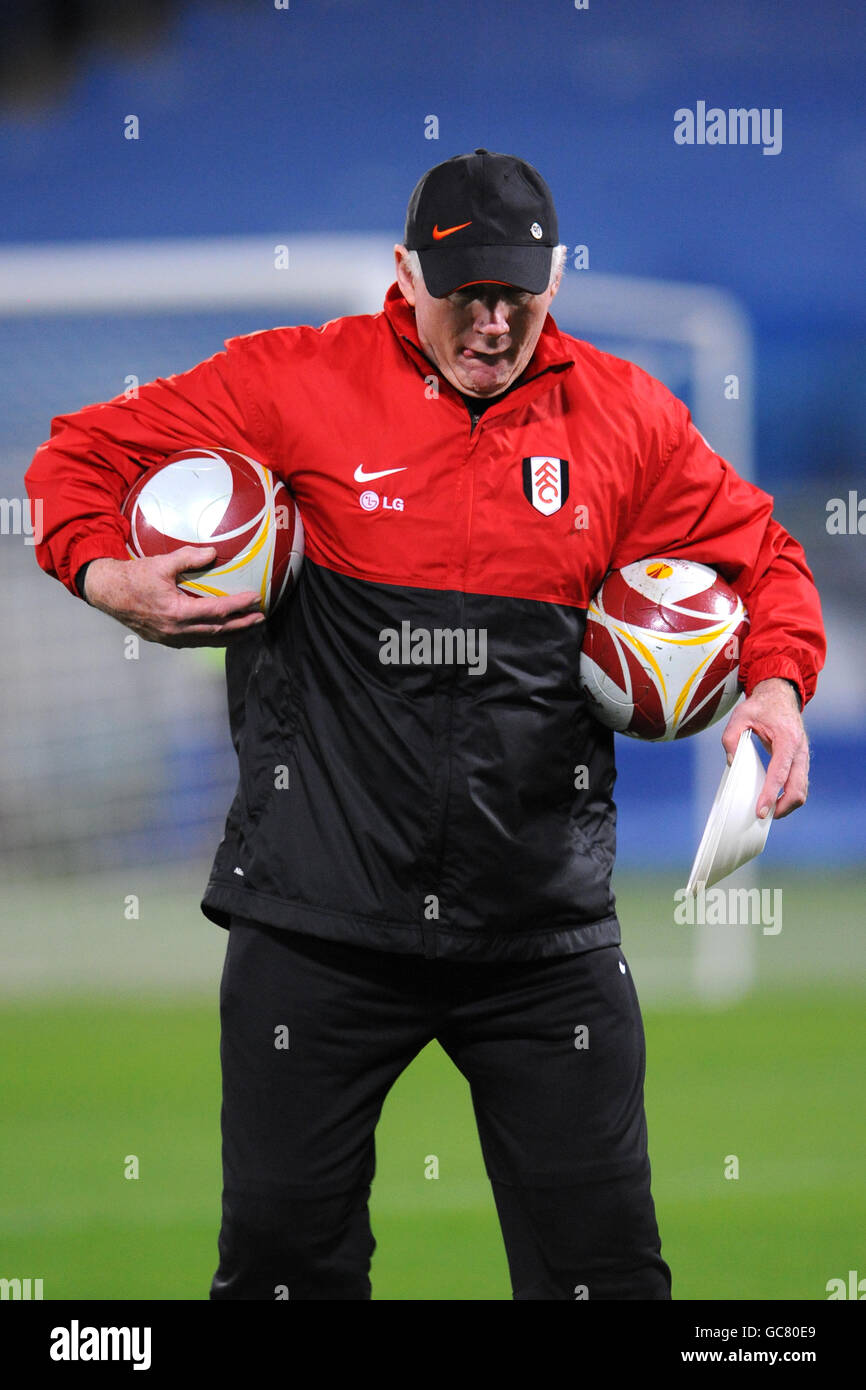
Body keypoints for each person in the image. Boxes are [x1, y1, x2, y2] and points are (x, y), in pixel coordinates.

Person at [25, 148, 825, 1300]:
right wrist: (111, 579)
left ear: (552, 284)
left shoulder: (623, 419)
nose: (494, 323)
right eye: (466, 295)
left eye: (519, 294)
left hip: (537, 936)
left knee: (604, 1275)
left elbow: (765, 559)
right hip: (316, 921)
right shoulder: (293, 380)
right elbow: (76, 453)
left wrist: (772, 685)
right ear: (405, 275)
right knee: (280, 1270)